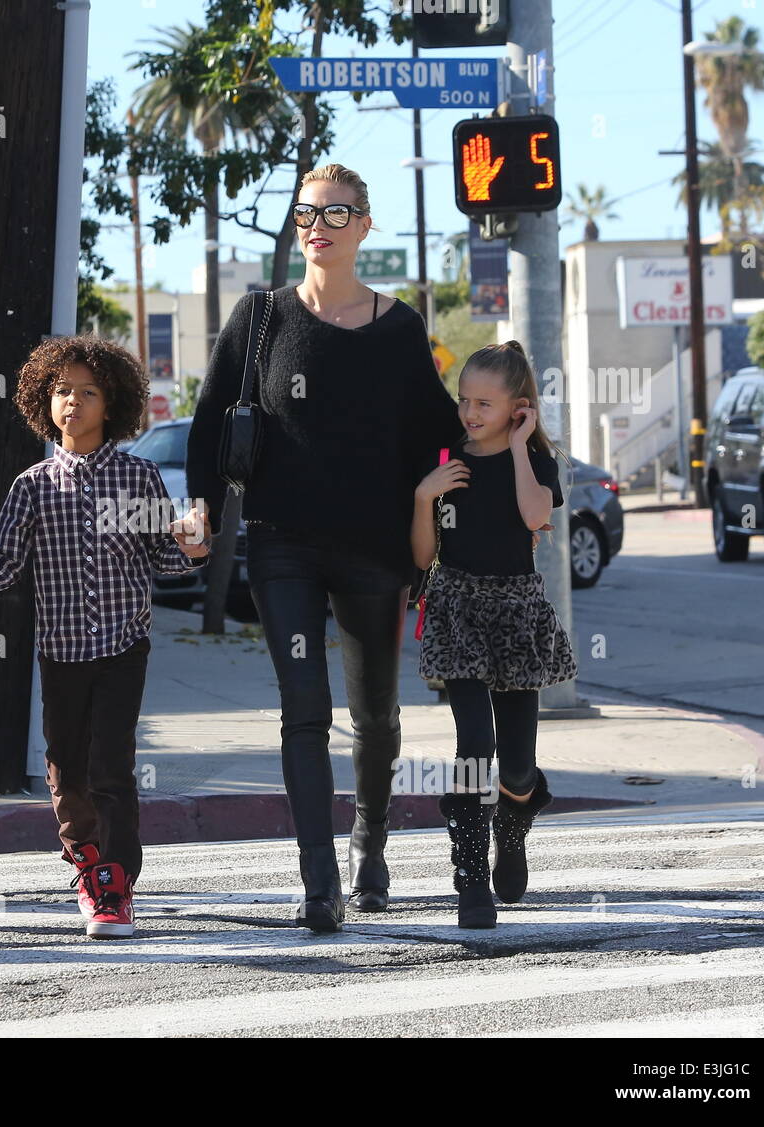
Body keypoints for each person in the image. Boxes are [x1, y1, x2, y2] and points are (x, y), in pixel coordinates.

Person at [186, 163, 467, 932]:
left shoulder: (400, 330)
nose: (319, 226)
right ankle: (319, 882)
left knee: (375, 714)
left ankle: (370, 840)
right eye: (308, 214)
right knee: (303, 707)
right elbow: (212, 422)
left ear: (366, 228)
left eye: (338, 214)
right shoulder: (261, 319)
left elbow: (443, 437)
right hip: (283, 545)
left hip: (376, 548)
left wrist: (504, 457)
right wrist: (198, 510)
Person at [0, 337, 211, 939]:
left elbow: (164, 557)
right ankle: (86, 864)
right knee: (65, 769)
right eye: (62, 392)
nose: (73, 403)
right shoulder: (31, 486)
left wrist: (191, 546)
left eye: (88, 392)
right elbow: (5, 564)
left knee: (110, 765)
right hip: (60, 650)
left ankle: (115, 883)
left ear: (113, 404)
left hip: (122, 646)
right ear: (43, 402)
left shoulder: (139, 477)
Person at [413, 340, 577, 930]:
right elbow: (424, 552)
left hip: (515, 613)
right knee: (473, 745)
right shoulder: (443, 460)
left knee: (515, 766)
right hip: (457, 606)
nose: (471, 413)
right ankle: (469, 876)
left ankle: (515, 823)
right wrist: (423, 495)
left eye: (486, 403)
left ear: (519, 408)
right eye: (465, 401)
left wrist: (515, 448)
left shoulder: (533, 463)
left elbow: (536, 517)